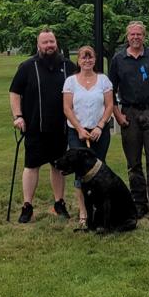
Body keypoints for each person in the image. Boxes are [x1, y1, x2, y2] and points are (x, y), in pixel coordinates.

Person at [9, 29, 76, 224]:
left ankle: (59, 203)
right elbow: (14, 92)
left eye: (52, 42)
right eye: (45, 42)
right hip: (34, 127)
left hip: (61, 127)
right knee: (31, 166)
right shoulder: (27, 66)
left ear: (57, 43)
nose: (49, 46)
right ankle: (27, 206)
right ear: (38, 45)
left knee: (58, 166)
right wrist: (18, 116)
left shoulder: (68, 66)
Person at [109, 21, 149, 221]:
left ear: (145, 36)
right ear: (127, 37)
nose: (136, 37)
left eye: (139, 34)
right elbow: (109, 91)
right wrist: (118, 116)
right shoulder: (119, 59)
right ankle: (139, 203)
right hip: (129, 114)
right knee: (133, 164)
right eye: (132, 35)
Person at [63, 45, 113, 230]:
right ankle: (83, 212)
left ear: (95, 59)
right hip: (77, 133)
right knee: (80, 173)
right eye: (83, 58)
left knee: (99, 171)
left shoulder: (103, 80)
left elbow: (109, 106)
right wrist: (79, 129)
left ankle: (100, 210)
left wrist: (100, 126)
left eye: (90, 57)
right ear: (78, 60)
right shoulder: (70, 82)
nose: (87, 61)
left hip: (99, 132)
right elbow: (67, 108)